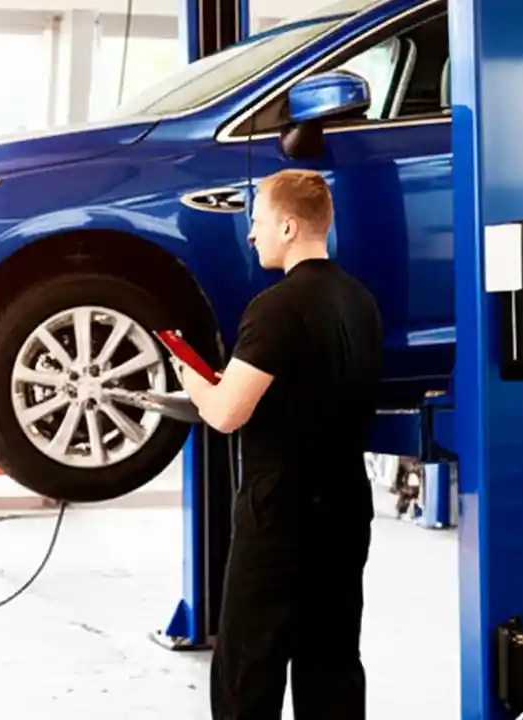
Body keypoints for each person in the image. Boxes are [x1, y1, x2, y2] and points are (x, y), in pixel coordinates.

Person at [173, 169, 383, 720]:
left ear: (288, 227)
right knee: (332, 667)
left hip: (281, 517)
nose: (250, 234)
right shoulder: (360, 301)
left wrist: (191, 376)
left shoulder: (275, 308)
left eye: (258, 221)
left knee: (248, 672)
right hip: (345, 511)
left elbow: (224, 414)